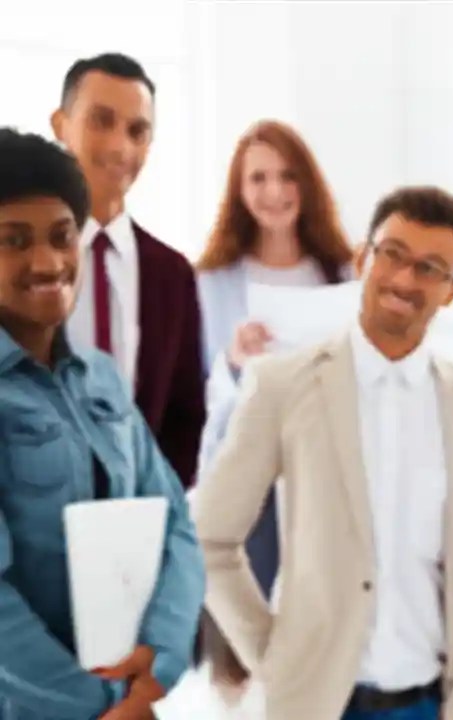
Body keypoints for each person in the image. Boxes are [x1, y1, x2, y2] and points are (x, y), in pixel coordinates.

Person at [194, 186, 453, 720]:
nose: (402, 279)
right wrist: (275, 658)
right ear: (362, 257)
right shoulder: (282, 384)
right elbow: (209, 537)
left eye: (429, 268)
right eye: (391, 254)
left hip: (429, 705)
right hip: (315, 703)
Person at [0, 128, 204, 720]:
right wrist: (98, 707)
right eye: (14, 241)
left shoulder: (102, 378)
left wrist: (158, 664)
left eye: (62, 238)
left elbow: (177, 526)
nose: (47, 262)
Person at [192, 119, 354, 691]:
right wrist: (234, 364)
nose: (274, 190)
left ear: (307, 184)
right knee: (245, 652)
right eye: (257, 177)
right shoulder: (211, 282)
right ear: (239, 191)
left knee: (323, 644)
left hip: (325, 479)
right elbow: (198, 407)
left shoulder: (343, 272)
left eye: (287, 175)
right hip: (249, 482)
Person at [50, 52, 206, 488]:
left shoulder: (173, 275)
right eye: (101, 121)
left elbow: (186, 414)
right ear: (61, 126)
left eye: (137, 131)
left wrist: (152, 504)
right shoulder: (14, 259)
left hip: (135, 524)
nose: (121, 146)